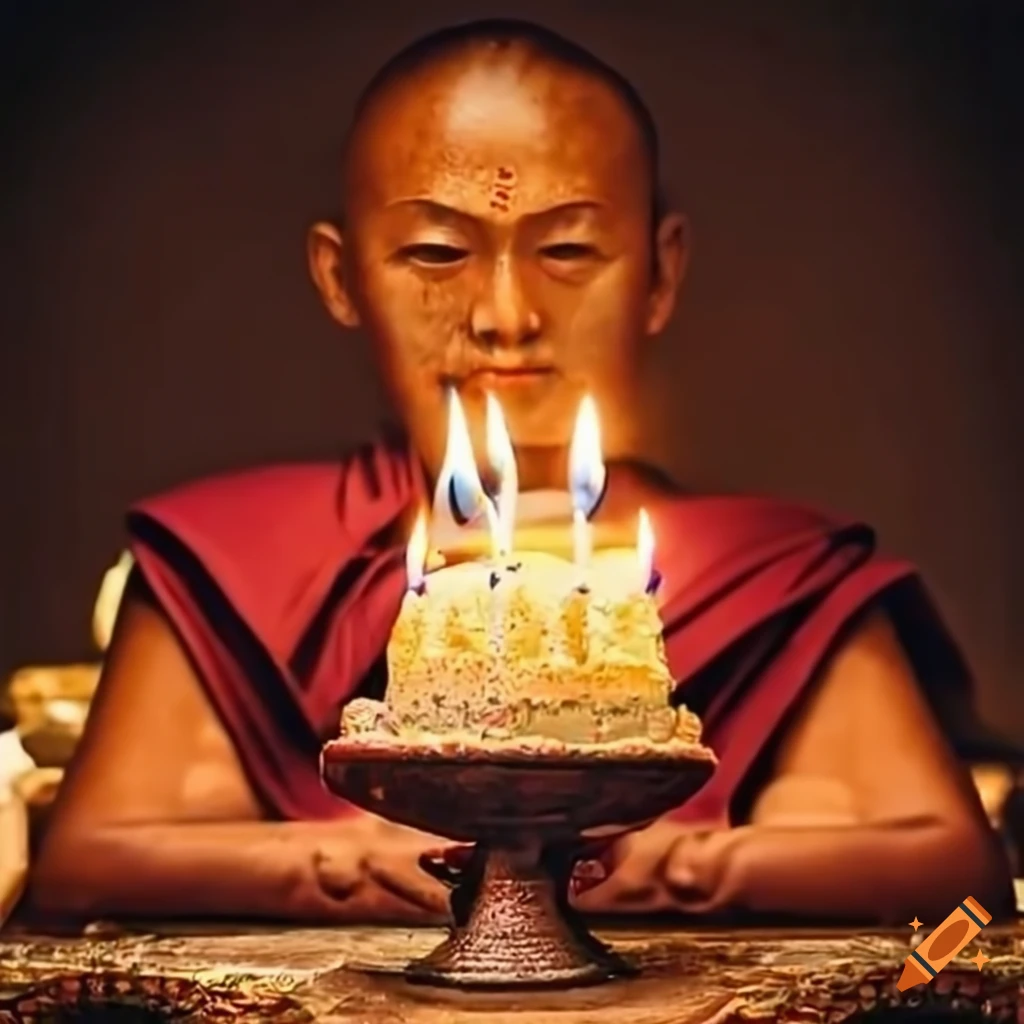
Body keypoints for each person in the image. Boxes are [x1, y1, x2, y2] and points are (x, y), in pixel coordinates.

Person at [30, 18, 1012, 927]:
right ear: (339, 277)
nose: (505, 314)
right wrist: (365, 866)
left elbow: (946, 866)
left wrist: (652, 871)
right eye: (435, 251)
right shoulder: (240, 564)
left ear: (661, 272)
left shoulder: (775, 578)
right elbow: (85, 866)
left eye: (570, 249)